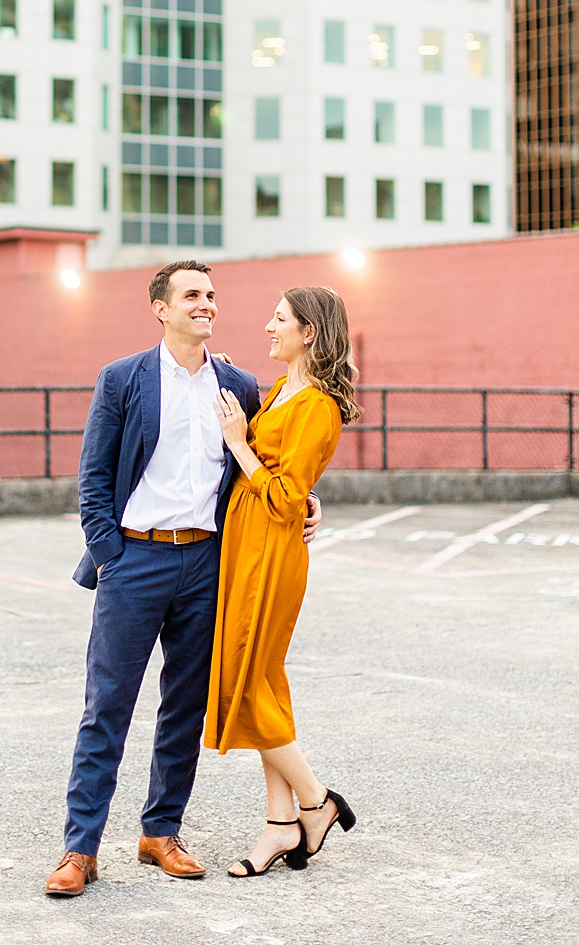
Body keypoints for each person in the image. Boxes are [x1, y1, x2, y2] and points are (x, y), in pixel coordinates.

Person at [47, 261, 322, 899]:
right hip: (135, 561)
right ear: (160, 309)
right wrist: (110, 554)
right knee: (107, 707)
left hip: (208, 564)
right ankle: (80, 848)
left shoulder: (241, 384)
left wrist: (311, 501)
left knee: (185, 706)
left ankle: (160, 832)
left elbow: (275, 461)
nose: (206, 305)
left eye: (211, 295)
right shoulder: (123, 379)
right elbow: (93, 477)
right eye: (191, 295)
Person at [207, 286, 361, 877]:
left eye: (279, 319)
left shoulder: (316, 405)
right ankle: (280, 824)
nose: (268, 327)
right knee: (262, 681)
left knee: (248, 682)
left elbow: (282, 496)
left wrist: (238, 443)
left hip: (272, 551)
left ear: (310, 333)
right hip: (249, 545)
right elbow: (293, 485)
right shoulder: (280, 392)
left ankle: (316, 802)